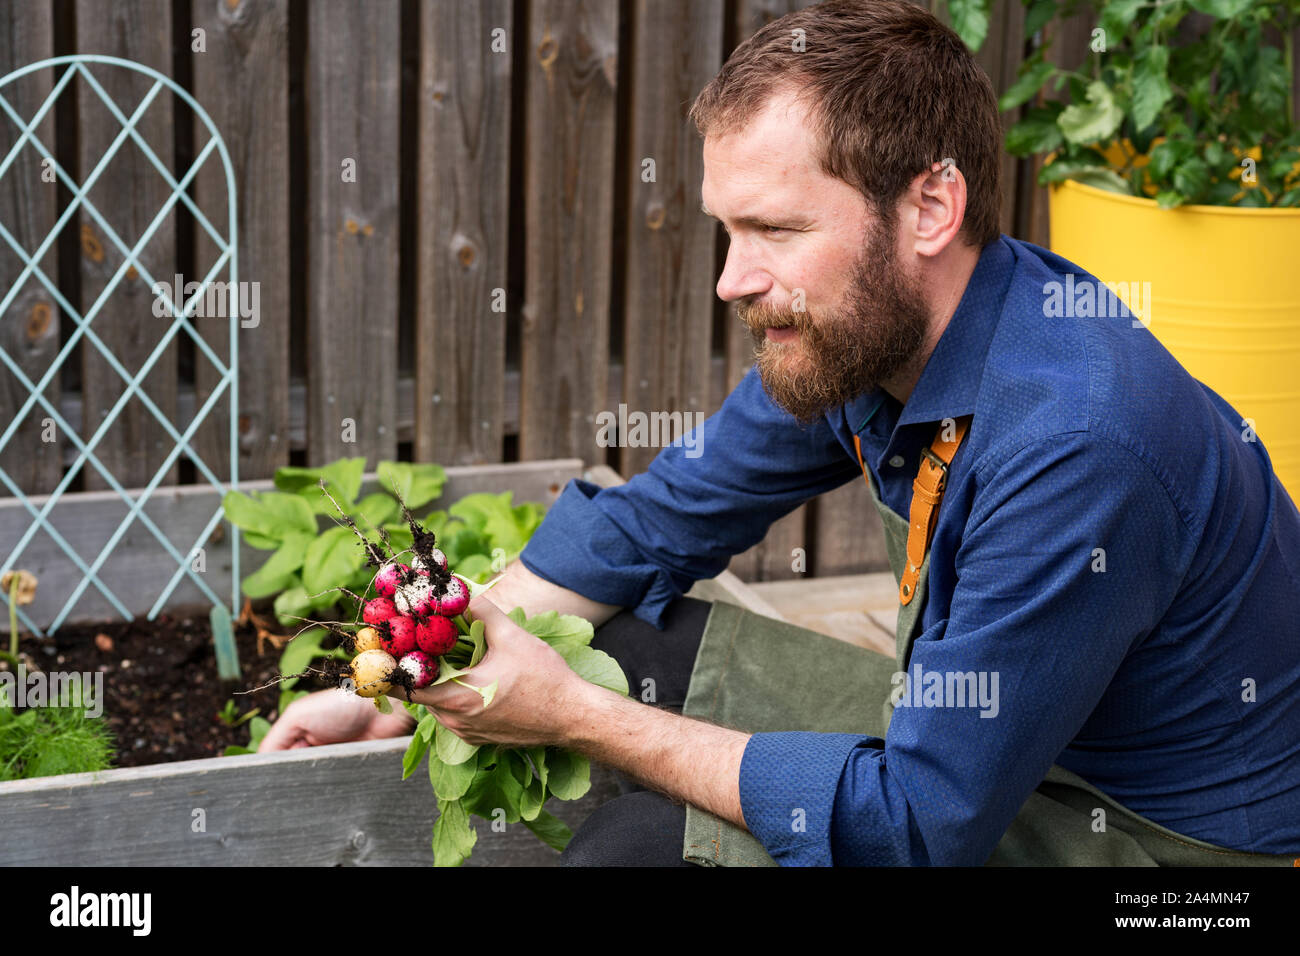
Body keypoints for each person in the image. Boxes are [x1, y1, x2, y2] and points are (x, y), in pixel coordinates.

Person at [262, 0, 1300, 866]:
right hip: (1016, 733)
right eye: (727, 227)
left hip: (1169, 851)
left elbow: (916, 826)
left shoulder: (1077, 444)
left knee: (634, 844)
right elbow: (659, 521)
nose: (731, 278)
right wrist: (403, 683)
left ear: (930, 205)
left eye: (775, 230)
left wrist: (576, 714)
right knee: (628, 643)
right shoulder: (871, 332)